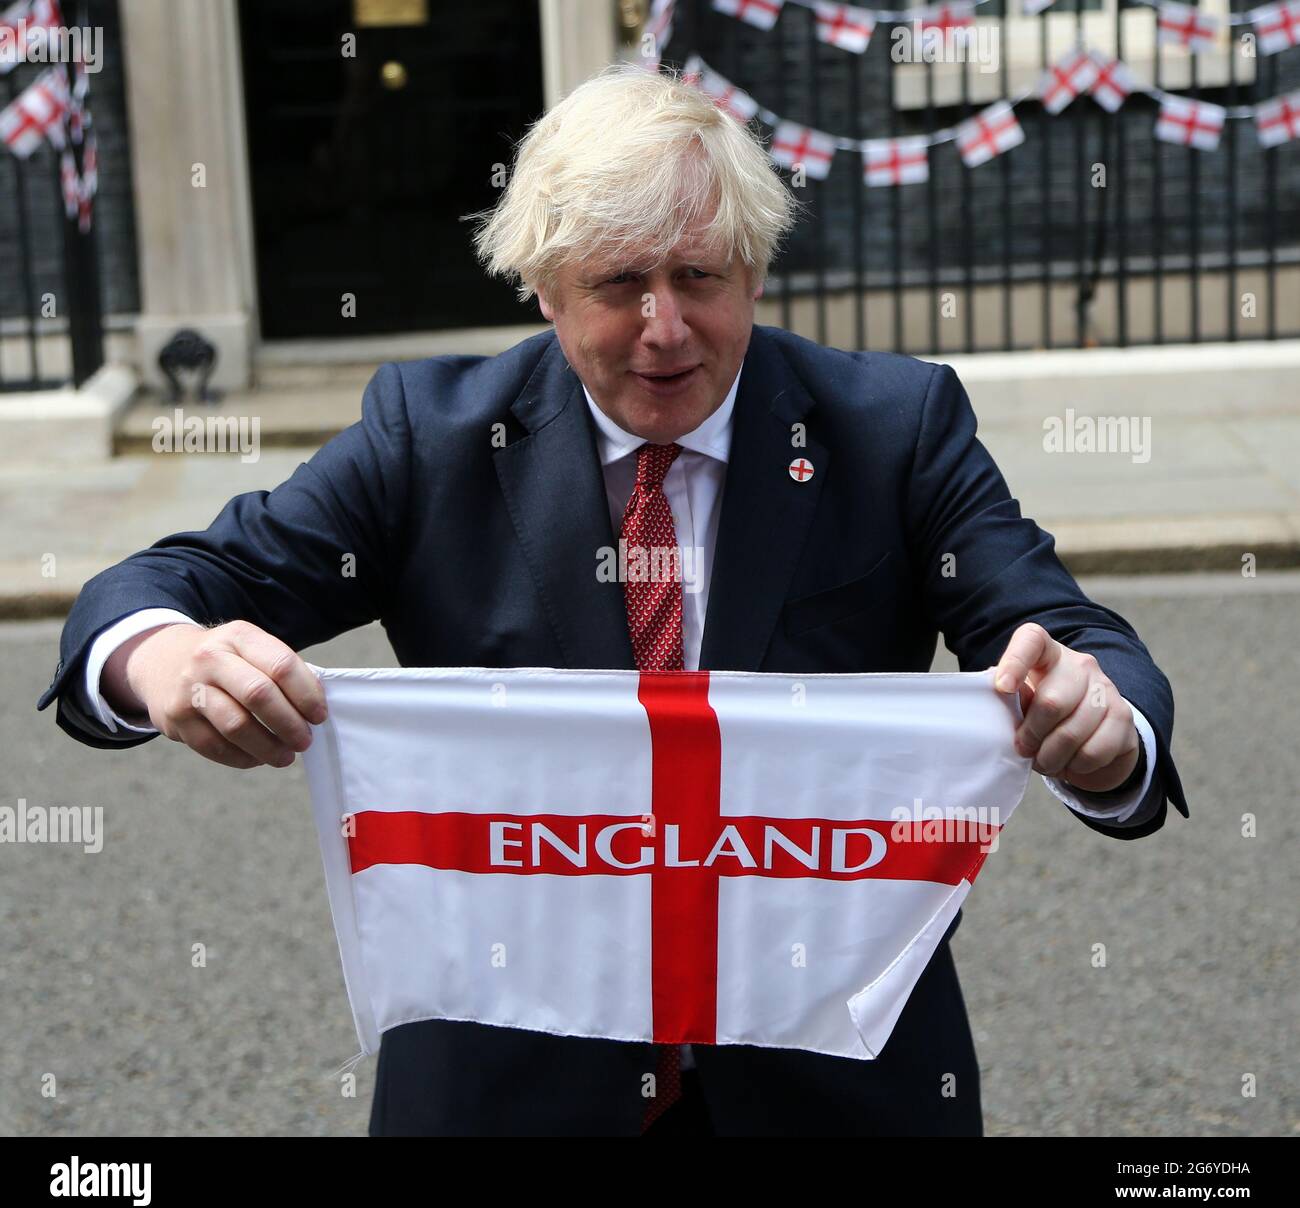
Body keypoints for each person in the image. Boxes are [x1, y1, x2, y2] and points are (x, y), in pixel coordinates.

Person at [38, 63, 1187, 1137]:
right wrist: (166, 660)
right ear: (540, 286)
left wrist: (1102, 729)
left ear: (754, 268)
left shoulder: (894, 428)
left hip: (833, 1075)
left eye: (698, 276)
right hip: (503, 1075)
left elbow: (1081, 641)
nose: (665, 329)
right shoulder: (427, 437)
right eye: (617, 285)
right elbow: (147, 592)